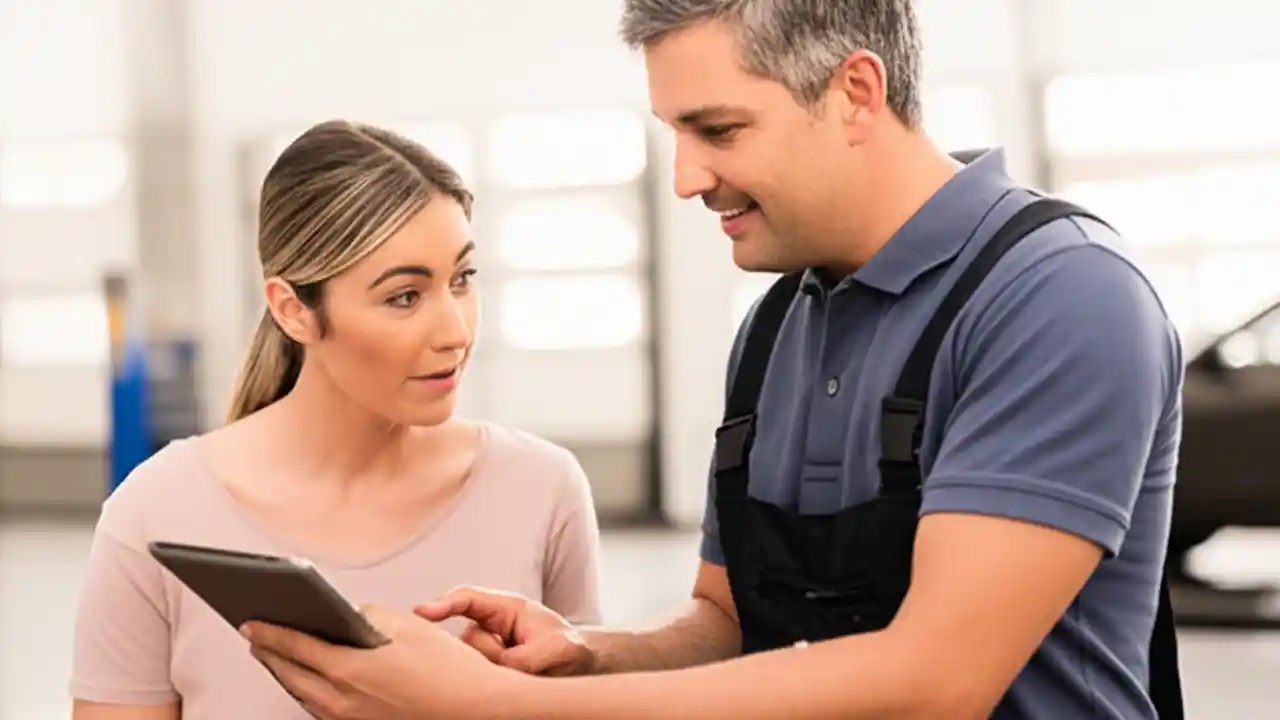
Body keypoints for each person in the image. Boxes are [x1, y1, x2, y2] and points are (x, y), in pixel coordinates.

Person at [243, 2, 1187, 718]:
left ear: (855, 93)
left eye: (719, 130)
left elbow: (934, 681)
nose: (689, 177)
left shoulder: (1058, 299)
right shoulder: (776, 325)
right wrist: (589, 655)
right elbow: (733, 621)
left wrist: (501, 707)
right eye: (676, 136)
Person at [68, 120, 603, 720]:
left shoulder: (540, 490)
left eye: (462, 280)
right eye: (405, 296)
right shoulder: (157, 512)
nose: (455, 331)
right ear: (294, 310)